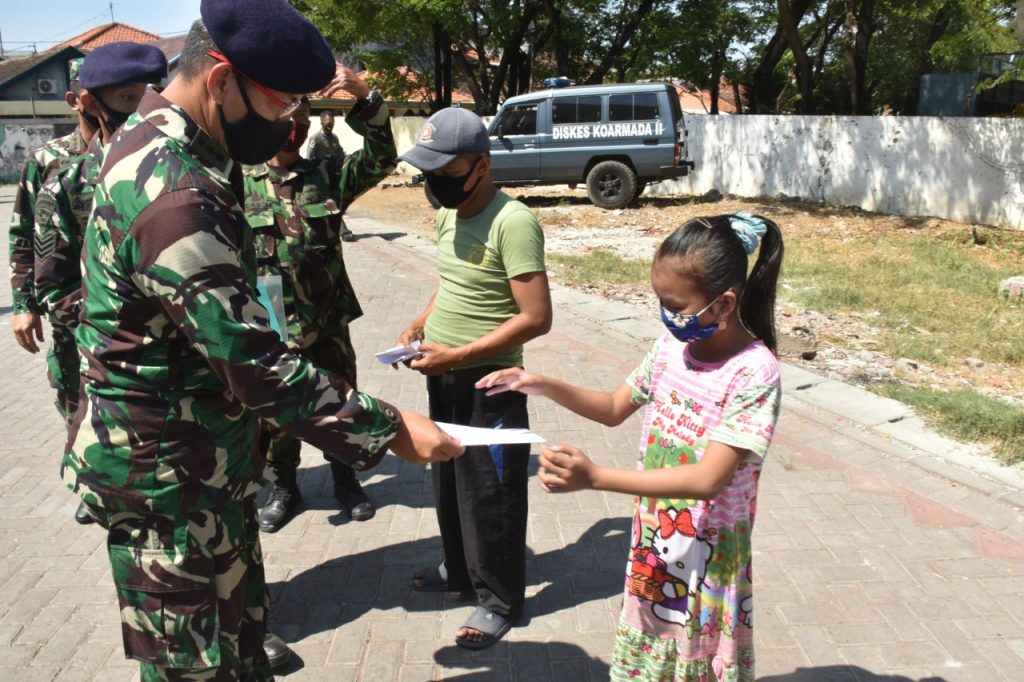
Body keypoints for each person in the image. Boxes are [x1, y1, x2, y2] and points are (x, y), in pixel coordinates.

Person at [62, 1, 462, 679]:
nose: (287, 125)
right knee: (197, 668)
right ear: (221, 81)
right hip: (169, 485)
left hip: (203, 468)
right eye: (279, 107)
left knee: (240, 654)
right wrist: (392, 430)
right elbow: (252, 362)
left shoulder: (175, 149)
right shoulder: (172, 189)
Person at [476, 213, 785, 681]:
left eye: (676, 306)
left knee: (693, 665)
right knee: (647, 662)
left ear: (724, 303)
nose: (667, 315)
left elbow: (708, 479)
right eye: (661, 302)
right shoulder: (670, 350)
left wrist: (596, 478)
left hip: (708, 558)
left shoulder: (754, 374)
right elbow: (614, 406)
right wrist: (539, 383)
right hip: (655, 541)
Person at [395, 107, 552, 649]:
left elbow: (535, 317)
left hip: (492, 383)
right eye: (428, 172)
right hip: (446, 373)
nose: (436, 182)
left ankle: (500, 601)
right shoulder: (449, 213)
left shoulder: (514, 222)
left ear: (482, 164)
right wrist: (422, 319)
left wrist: (458, 354)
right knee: (449, 483)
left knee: (493, 493)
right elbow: (455, 281)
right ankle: (460, 572)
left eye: (446, 170)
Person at [243, 76, 392, 532]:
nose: (296, 123)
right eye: (287, 114)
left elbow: (382, 157)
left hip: (326, 324)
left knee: (341, 402)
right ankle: (285, 486)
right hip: (271, 328)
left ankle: (346, 480)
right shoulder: (238, 182)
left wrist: (366, 98)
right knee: (277, 415)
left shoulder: (326, 175)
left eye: (302, 116)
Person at [33, 42, 167, 525]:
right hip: (104, 350)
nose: (147, 109)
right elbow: (53, 281)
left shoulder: (177, 167)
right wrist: (117, 318)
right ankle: (98, 486)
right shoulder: (67, 181)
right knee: (94, 427)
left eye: (155, 94)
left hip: (172, 365)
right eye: (131, 98)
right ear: (90, 103)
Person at [9, 58, 94, 356]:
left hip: (128, 315)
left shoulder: (138, 156)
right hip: (70, 311)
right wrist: (23, 304)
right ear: (74, 100)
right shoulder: (46, 161)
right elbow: (23, 234)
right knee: (73, 395)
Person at [306, 109, 356, 242]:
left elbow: (340, 152)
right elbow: (309, 159)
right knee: (330, 203)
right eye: (328, 123)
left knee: (335, 203)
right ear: (321, 122)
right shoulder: (315, 139)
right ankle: (342, 230)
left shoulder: (334, 138)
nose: (330, 126)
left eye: (332, 123)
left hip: (334, 176)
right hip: (322, 178)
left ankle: (333, 230)